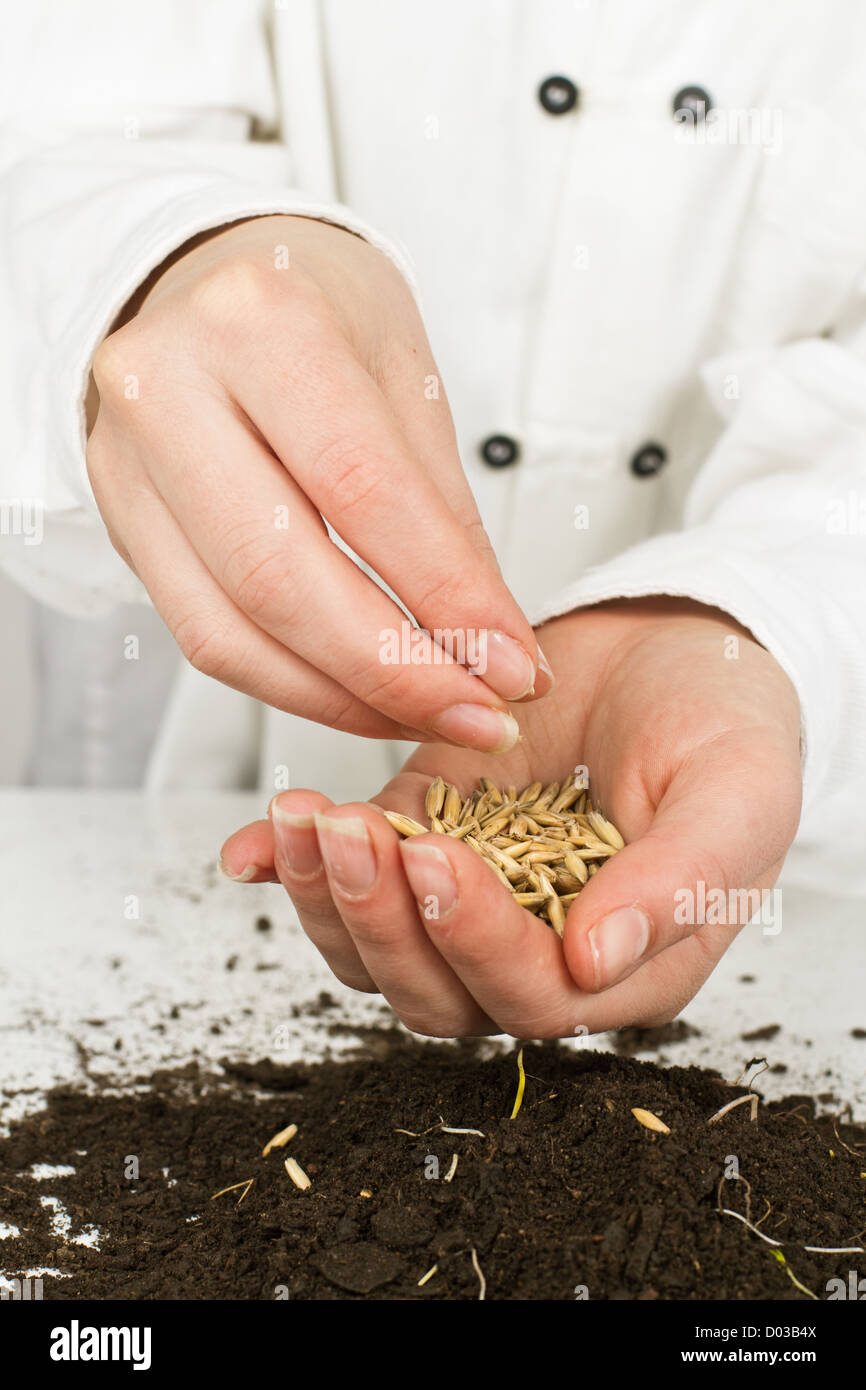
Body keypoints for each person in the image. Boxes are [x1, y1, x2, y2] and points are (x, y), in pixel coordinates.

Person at [3, 1, 865, 1039]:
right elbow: (65, 123)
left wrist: (751, 615)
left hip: (816, 889)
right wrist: (165, 262)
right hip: (148, 844)